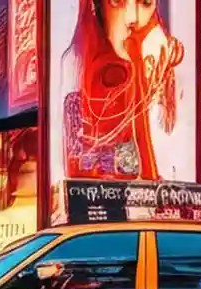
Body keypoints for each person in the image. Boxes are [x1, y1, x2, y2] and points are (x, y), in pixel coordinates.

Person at [57, 0, 186, 181]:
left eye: (146, 3)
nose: (132, 18)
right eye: (117, 2)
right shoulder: (76, 63)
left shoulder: (160, 61)